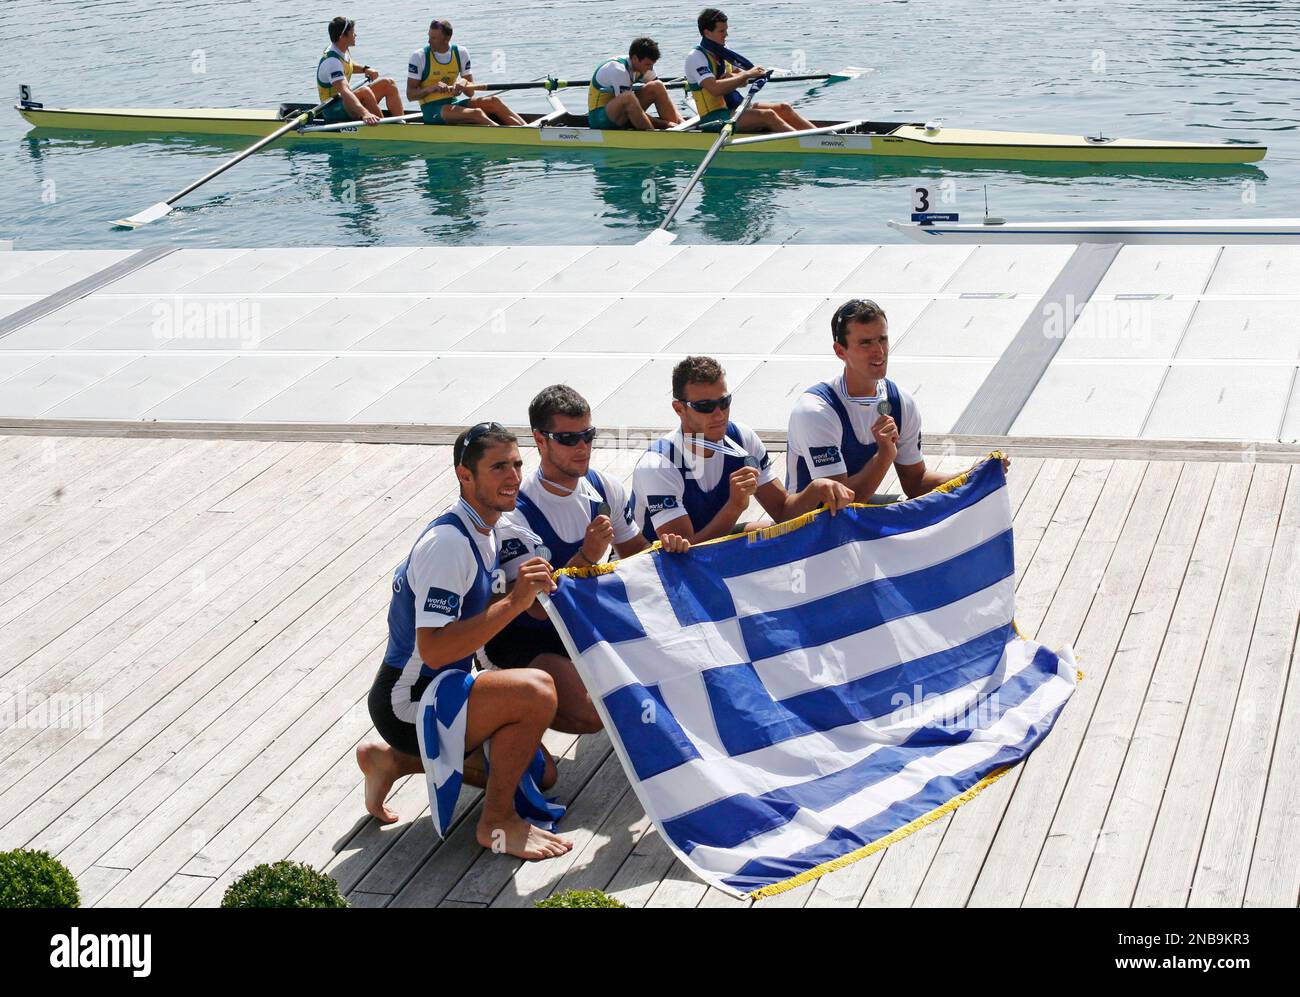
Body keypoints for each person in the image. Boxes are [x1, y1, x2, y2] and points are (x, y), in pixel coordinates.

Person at [357, 422, 571, 860]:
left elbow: (533, 606)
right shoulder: (448, 545)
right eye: (498, 467)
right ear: (465, 476)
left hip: (446, 690)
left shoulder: (497, 528)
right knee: (537, 690)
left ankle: (394, 760)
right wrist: (513, 600)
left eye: (516, 464)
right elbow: (435, 650)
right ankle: (496, 823)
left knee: (541, 775)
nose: (513, 477)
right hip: (408, 703)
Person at [488, 385, 688, 733]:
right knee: (594, 717)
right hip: (528, 635)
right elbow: (532, 608)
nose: (582, 447)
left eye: (588, 435)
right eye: (568, 439)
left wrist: (665, 551)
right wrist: (586, 556)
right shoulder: (514, 514)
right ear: (540, 440)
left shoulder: (606, 487)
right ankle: (500, 718)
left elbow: (636, 557)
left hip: (584, 624)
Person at [787, 298, 1010, 502]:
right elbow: (837, 501)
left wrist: (972, 474)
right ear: (840, 351)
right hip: (808, 528)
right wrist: (884, 456)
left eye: (882, 339)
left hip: (851, 517)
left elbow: (916, 483)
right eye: (865, 343)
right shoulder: (816, 411)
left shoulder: (901, 402)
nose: (879, 352)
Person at [634, 355, 853, 544]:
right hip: (653, 569)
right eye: (705, 407)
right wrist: (735, 506)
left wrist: (816, 488)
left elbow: (784, 513)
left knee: (778, 534)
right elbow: (687, 555)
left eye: (724, 402)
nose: (718, 414)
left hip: (702, 549)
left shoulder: (743, 439)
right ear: (678, 409)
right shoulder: (659, 465)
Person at [684, 8, 814, 133]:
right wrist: (746, 74)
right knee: (768, 115)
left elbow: (742, 82)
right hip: (713, 116)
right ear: (707, 33)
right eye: (722, 31)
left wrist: (736, 77)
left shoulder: (723, 51)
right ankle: (808, 146)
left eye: (726, 30)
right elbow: (715, 89)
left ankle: (828, 138)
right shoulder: (696, 57)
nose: (726, 35)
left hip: (733, 107)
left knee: (785, 109)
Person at [407, 18, 525, 126]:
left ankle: (529, 131)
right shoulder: (419, 57)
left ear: (446, 39)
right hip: (432, 110)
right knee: (476, 114)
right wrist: (432, 88)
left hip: (454, 103)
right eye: (429, 36)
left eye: (433, 38)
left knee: (494, 101)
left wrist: (463, 82)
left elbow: (470, 93)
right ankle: (509, 136)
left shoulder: (461, 52)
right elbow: (410, 95)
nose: (429, 41)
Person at [316, 16, 404, 126]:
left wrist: (365, 69)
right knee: (364, 92)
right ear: (342, 36)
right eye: (353, 32)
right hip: (333, 110)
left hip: (344, 102)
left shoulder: (341, 49)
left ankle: (401, 124)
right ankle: (383, 129)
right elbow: (344, 91)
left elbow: (349, 64)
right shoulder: (332, 62)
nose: (355, 35)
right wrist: (365, 113)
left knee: (388, 83)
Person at [587, 38, 683, 131]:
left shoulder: (644, 66)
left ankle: (679, 130)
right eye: (647, 64)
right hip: (600, 119)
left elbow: (663, 95)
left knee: (657, 86)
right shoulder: (619, 70)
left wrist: (681, 120)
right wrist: (664, 124)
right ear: (635, 58)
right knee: (628, 97)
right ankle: (652, 136)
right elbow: (628, 108)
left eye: (652, 65)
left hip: (622, 115)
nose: (650, 69)